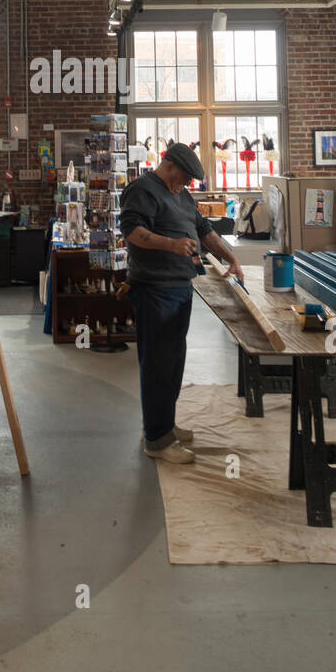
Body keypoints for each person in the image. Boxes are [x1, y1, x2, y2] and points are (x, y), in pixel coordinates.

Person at [120, 142, 244, 464]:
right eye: (184, 177)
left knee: (173, 363)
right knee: (158, 365)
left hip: (180, 287)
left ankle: (163, 426)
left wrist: (230, 257)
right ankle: (157, 441)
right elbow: (132, 231)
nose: (186, 184)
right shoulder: (143, 190)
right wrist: (172, 245)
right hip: (154, 289)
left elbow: (203, 230)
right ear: (169, 165)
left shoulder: (182, 195)